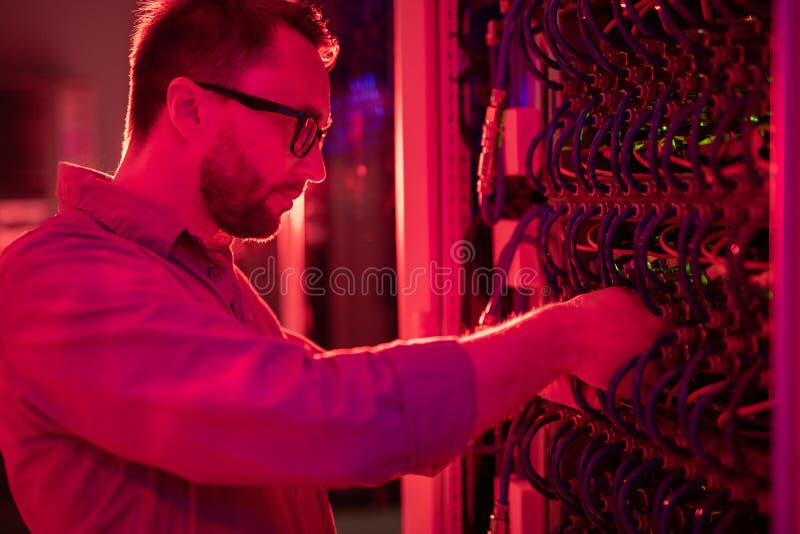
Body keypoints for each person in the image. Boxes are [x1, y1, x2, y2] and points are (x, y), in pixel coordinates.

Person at [0, 1, 666, 532]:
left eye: (319, 138)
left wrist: (528, 365)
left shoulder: (204, 279)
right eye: (300, 128)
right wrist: (565, 336)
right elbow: (327, 416)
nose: (316, 169)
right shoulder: (52, 279)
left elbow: (337, 397)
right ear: (189, 107)